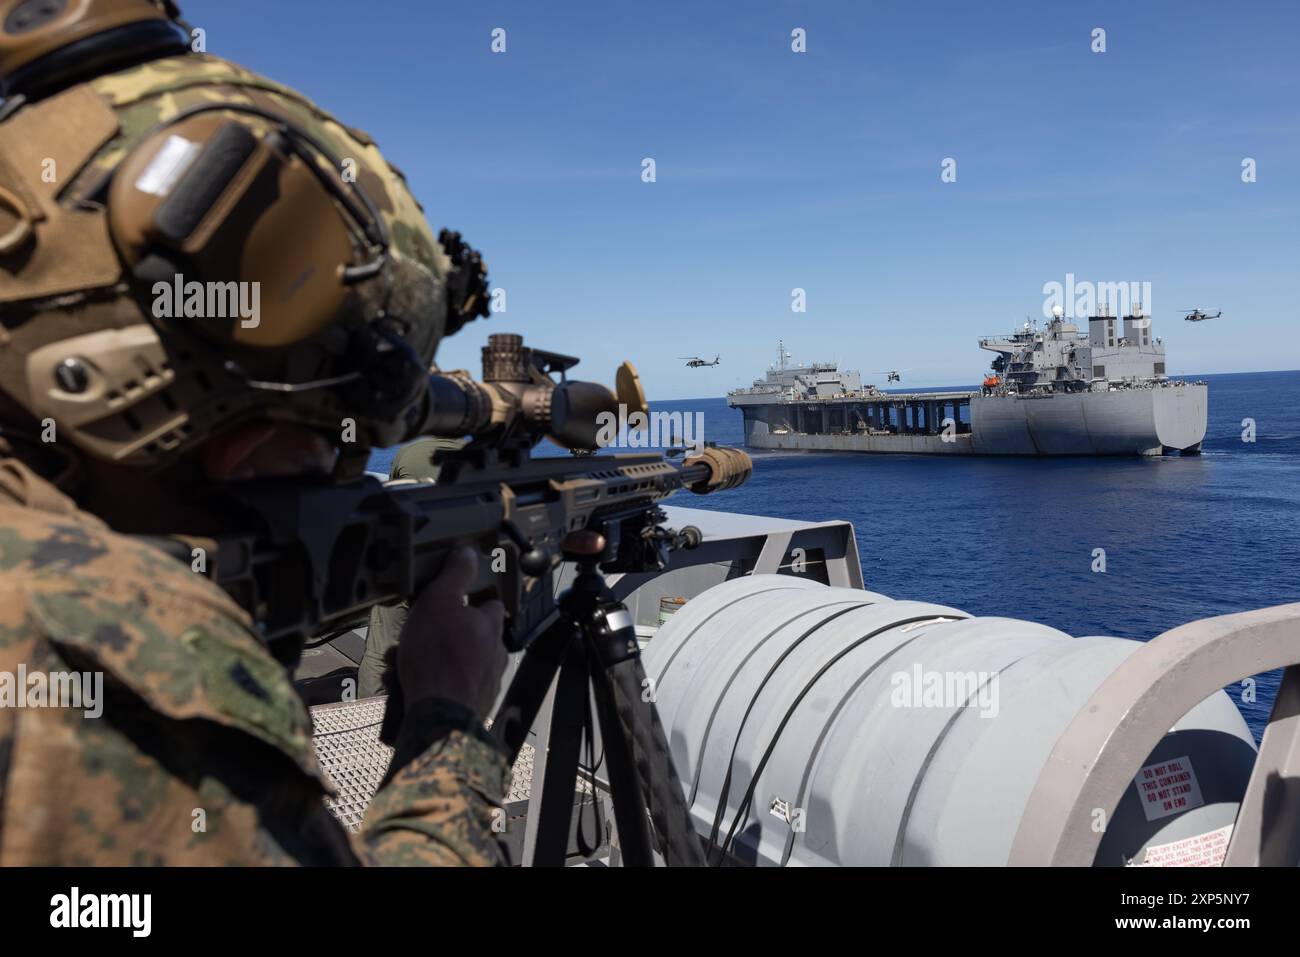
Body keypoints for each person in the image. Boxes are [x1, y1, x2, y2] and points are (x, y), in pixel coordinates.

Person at [0, 0, 507, 864]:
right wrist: (448, 723)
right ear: (220, 425)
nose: (351, 470)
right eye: (334, 441)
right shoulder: (115, 656)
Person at [358, 436, 465, 699]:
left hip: (400, 563)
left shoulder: (408, 453)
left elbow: (393, 497)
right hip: (449, 568)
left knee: (381, 650)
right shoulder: (473, 459)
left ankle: (367, 712)